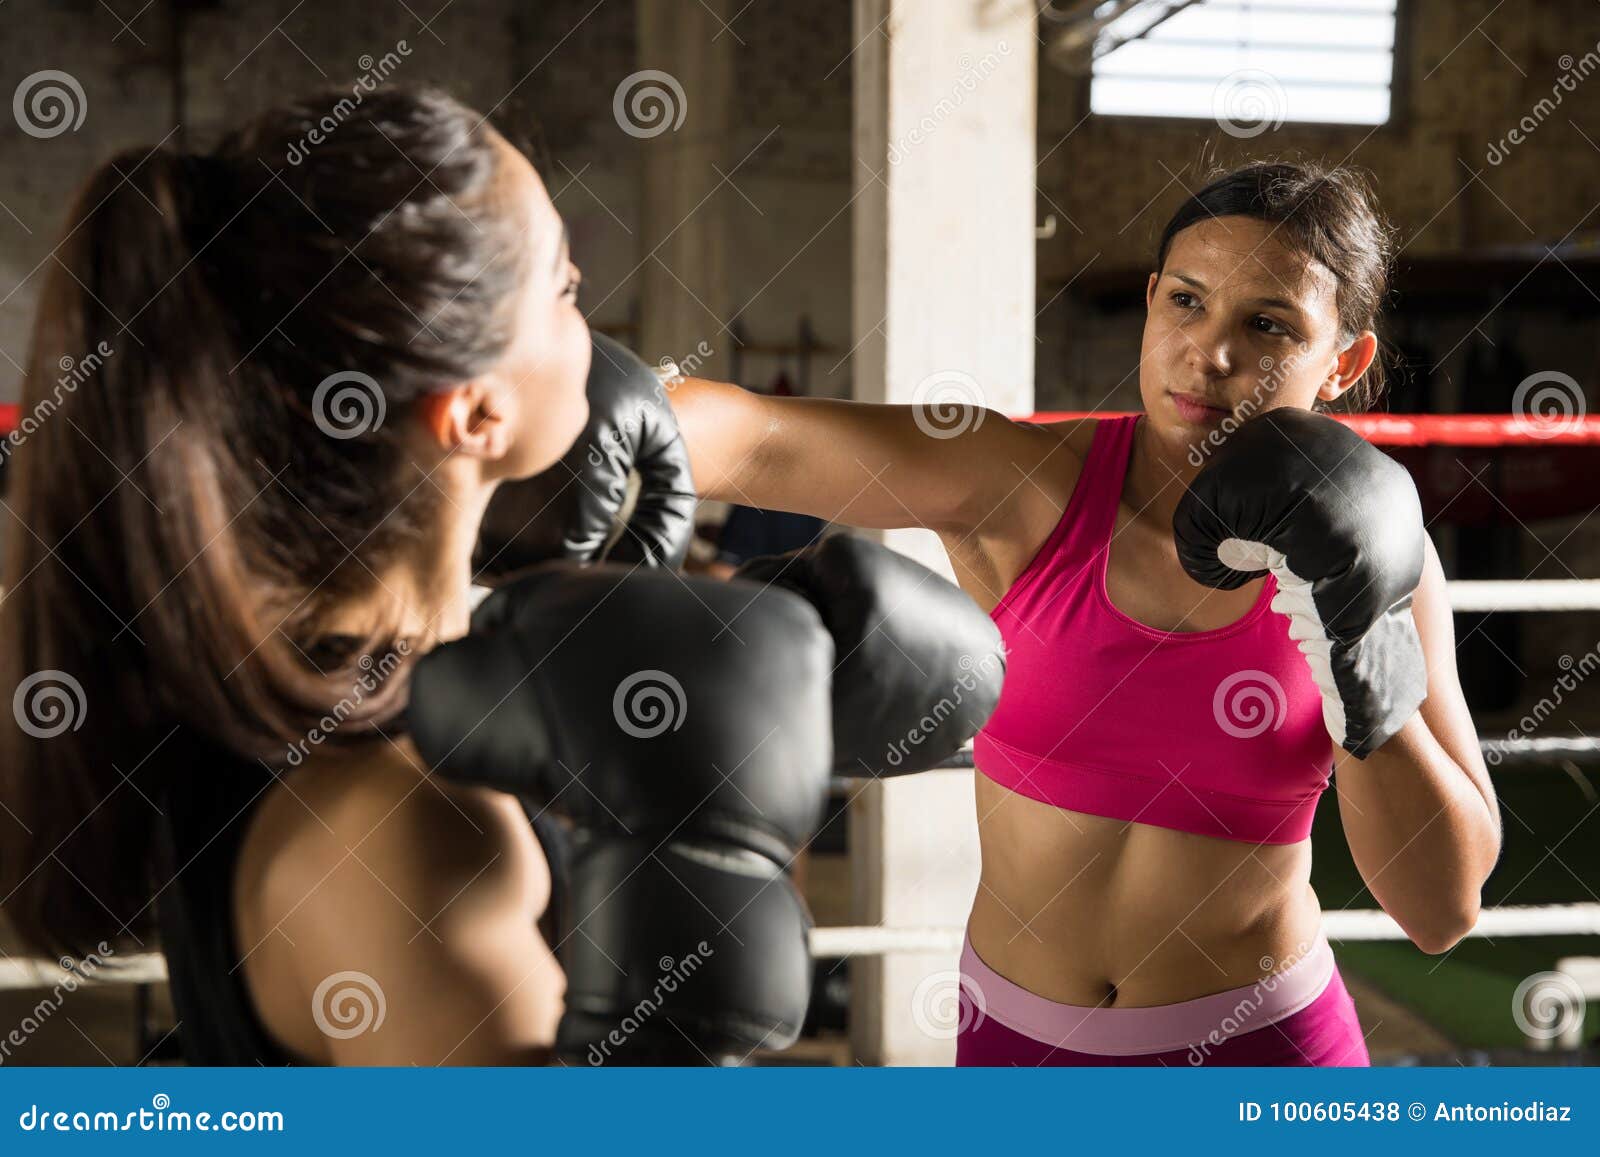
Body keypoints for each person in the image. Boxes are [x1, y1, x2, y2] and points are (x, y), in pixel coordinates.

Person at [0, 86, 1005, 1066]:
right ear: (476, 414)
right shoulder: (410, 833)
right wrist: (678, 1019)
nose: (595, 330)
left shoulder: (293, 676)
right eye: (565, 291)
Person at [636, 161, 1502, 1065]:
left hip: (1266, 1048)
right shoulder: (1022, 483)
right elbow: (757, 439)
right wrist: (606, 412)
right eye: (1186, 303)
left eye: (1268, 324)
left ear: (1344, 363)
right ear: (1153, 299)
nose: (1209, 354)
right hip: (1021, 1047)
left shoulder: (1379, 557)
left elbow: (1441, 909)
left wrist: (1362, 660)